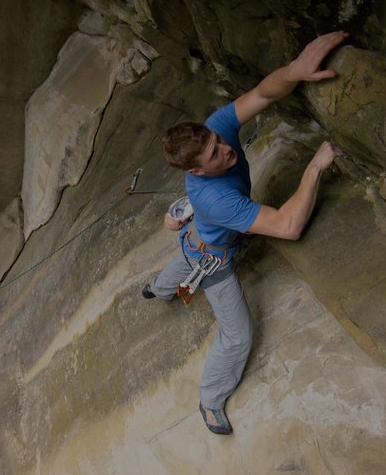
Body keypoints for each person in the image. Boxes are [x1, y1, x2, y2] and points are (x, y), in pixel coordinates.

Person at [143, 31, 348, 435]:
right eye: (215, 155)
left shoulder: (213, 132)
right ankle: (210, 401)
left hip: (198, 239)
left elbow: (263, 94)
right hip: (213, 259)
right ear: (196, 170)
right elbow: (288, 226)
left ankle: (157, 289)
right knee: (237, 338)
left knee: (183, 259)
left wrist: (294, 71)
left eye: (219, 142)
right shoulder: (215, 196)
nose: (226, 150)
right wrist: (315, 167)